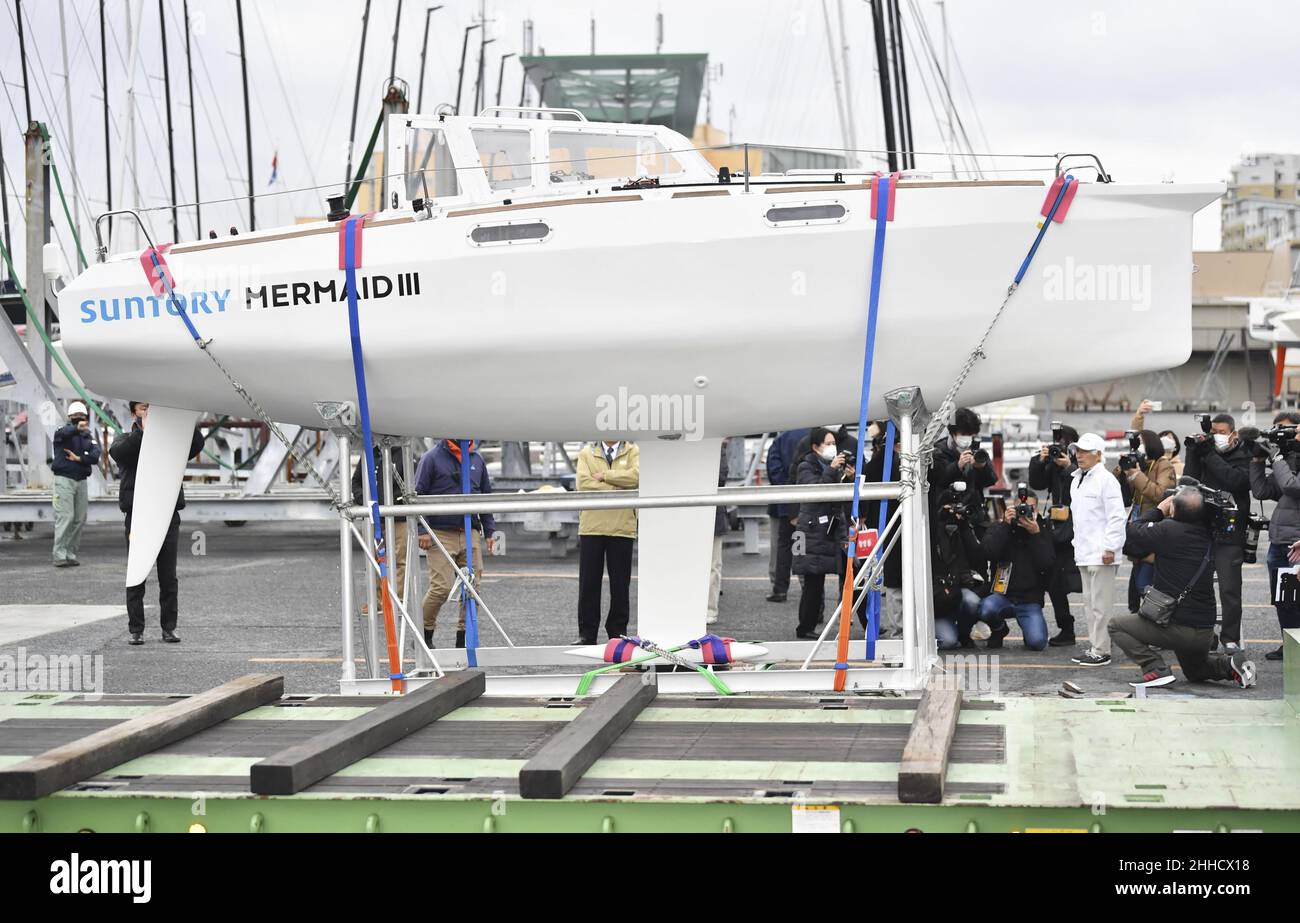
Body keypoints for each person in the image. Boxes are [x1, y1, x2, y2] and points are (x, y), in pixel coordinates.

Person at [1110, 487, 1256, 688]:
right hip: (1204, 632)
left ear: (1175, 510)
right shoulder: (1209, 533)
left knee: (1116, 626)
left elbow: (1131, 532)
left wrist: (1159, 510)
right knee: (1196, 672)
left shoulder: (1168, 530)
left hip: (1175, 626)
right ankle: (1229, 665)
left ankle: (1154, 668)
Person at [109, 401, 205, 645]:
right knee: (137, 574)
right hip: (139, 514)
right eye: (143, 408)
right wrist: (146, 430)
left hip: (167, 512)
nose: (149, 412)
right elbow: (120, 453)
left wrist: (184, 422)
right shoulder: (124, 440)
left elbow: (195, 443)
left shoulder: (172, 441)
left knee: (168, 576)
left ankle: (169, 628)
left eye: (152, 408)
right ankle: (136, 629)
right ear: (134, 413)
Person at [415, 439, 496, 649]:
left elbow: (485, 497)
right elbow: (418, 494)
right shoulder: (431, 458)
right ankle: (423, 633)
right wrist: (423, 530)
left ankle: (463, 639)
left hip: (470, 531)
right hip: (440, 531)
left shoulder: (477, 459)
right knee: (441, 587)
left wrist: (489, 531)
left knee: (473, 588)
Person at [1183, 413, 1251, 651]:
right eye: (1212, 432)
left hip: (1230, 532)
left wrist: (1209, 454)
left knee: (1229, 588)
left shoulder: (1243, 454)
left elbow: (1237, 481)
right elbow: (1188, 480)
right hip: (1203, 528)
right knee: (1198, 586)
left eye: (1220, 432)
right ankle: (1204, 635)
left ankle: (1230, 637)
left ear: (1233, 433)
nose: (1215, 437)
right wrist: (1194, 452)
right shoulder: (1204, 452)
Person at [1068, 432, 1127, 666]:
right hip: (1084, 552)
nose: (1079, 455)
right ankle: (1095, 646)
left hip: (1102, 553)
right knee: (1090, 603)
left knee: (1101, 606)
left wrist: (1111, 547)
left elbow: (1116, 517)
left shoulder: (1107, 480)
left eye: (1085, 452)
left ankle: (1102, 649)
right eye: (1078, 451)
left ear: (1098, 455)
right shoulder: (1077, 479)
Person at [575, 439, 640, 645]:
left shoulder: (633, 451)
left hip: (622, 527)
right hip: (591, 526)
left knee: (620, 585)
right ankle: (587, 633)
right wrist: (618, 487)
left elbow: (637, 477)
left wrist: (605, 476)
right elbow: (582, 483)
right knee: (588, 584)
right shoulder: (586, 452)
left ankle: (617, 631)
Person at [792, 427, 853, 640]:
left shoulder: (831, 466)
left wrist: (846, 477)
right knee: (813, 582)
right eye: (827, 443)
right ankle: (805, 626)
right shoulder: (806, 466)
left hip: (835, 529)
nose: (832, 447)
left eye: (833, 443)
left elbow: (839, 497)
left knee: (851, 574)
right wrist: (833, 471)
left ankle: (861, 620)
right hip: (814, 530)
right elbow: (816, 492)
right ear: (815, 447)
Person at [1248, 411, 1300, 662]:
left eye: (1286, 430)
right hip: (1280, 541)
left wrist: (1278, 458)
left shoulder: (1288, 461)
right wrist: (1258, 461)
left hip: (1296, 543)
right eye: (1276, 429)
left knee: (1297, 599)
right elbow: (1261, 490)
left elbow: (1293, 487)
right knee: (1285, 600)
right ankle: (1290, 645)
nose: (1280, 434)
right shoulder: (1287, 461)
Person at [976, 492, 1054, 650]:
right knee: (985, 609)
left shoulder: (1042, 530)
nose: (1024, 512)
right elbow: (988, 553)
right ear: (1012, 508)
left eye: (1030, 508)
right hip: (1003, 595)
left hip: (1029, 599)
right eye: (1020, 508)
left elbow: (1047, 564)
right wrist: (1005, 525)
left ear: (1036, 510)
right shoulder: (1000, 527)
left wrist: (1035, 535)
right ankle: (999, 629)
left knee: (1037, 643)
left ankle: (1028, 631)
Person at [1028, 423, 1080, 646]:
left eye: (1063, 445)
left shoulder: (1079, 465)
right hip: (1057, 529)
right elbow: (1037, 483)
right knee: (1055, 582)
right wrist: (1040, 461)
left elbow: (1081, 484)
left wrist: (1069, 466)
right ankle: (1066, 629)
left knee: (1081, 582)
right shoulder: (1052, 465)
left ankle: (1098, 634)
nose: (1058, 451)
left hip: (1077, 529)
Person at [1114, 429, 1176, 610]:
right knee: (1136, 579)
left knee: (1143, 582)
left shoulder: (1163, 465)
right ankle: (1138, 616)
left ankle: (1159, 613)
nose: (1138, 447)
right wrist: (1123, 468)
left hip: (1154, 527)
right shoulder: (1140, 463)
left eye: (1141, 442)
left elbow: (1160, 494)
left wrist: (1136, 475)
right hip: (1138, 526)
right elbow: (1122, 491)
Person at [352, 445, 412, 609]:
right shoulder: (369, 454)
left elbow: (410, 486)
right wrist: (365, 500)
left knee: (399, 559)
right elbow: (356, 481)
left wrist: (389, 503)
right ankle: (378, 600)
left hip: (398, 517)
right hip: (373, 516)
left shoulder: (403, 454)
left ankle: (396, 599)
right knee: (373, 559)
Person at [931, 484, 987, 649]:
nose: (955, 512)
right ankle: (936, 629)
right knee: (948, 642)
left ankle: (964, 633)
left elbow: (977, 555)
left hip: (956, 590)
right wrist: (940, 520)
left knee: (972, 601)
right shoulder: (930, 531)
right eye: (951, 508)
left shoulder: (962, 530)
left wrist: (963, 527)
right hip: (937, 597)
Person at [862, 421, 903, 638]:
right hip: (890, 525)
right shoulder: (883, 462)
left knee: (899, 582)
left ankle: (903, 629)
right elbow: (870, 474)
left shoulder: (892, 460)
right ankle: (899, 630)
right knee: (895, 583)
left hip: (897, 524)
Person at [929, 407, 995, 535]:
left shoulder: (977, 451)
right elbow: (938, 479)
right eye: (963, 434)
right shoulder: (939, 451)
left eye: (970, 435)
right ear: (953, 433)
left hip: (973, 516)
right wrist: (957, 466)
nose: (967, 438)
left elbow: (991, 480)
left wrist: (981, 467)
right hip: (947, 518)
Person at [51, 400, 100, 567]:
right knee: (66, 517)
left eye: (82, 417)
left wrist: (79, 459)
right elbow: (63, 434)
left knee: (79, 518)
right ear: (70, 417)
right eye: (76, 417)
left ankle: (70, 554)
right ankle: (59, 555)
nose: (79, 419)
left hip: (81, 481)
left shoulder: (88, 437)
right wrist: (75, 429)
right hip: (64, 479)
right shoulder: (62, 432)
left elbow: (95, 456)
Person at [765, 428, 809, 603]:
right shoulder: (813, 434)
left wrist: (785, 490)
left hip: (784, 503)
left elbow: (773, 469)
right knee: (803, 545)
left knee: (783, 547)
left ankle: (780, 589)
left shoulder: (781, 440)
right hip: (807, 503)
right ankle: (807, 585)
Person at [1130, 399, 1184, 479]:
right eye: (1163, 439)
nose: (1166, 441)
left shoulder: (1182, 467)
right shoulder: (1150, 465)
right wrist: (1139, 414)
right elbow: (1137, 436)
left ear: (1175, 447)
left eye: (1170, 439)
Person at [707, 439, 730, 625]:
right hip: (695, 513)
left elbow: (720, 476)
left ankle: (710, 609)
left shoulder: (718, 447)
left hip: (714, 513)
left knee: (713, 565)